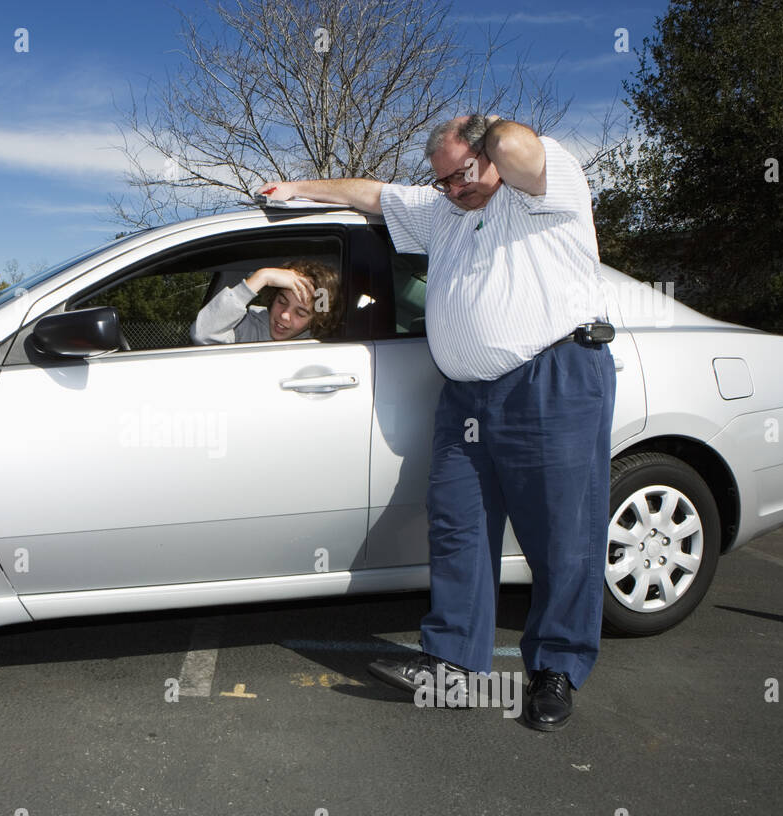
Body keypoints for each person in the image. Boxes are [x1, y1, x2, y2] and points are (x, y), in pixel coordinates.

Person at [258, 114, 615, 731]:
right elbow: (370, 195)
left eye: (462, 175)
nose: (453, 189)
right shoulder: (442, 211)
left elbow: (515, 148)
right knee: (457, 527)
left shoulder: (546, 187)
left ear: (488, 152)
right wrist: (299, 187)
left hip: (552, 380)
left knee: (561, 534)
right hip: (467, 398)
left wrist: (488, 133)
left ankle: (556, 667)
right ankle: (455, 664)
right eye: (442, 180)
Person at [192, 260, 342, 344]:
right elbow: (202, 334)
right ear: (273, 297)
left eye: (300, 313)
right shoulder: (245, 324)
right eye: (282, 301)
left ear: (316, 320)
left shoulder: (321, 346)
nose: (284, 315)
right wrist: (263, 276)